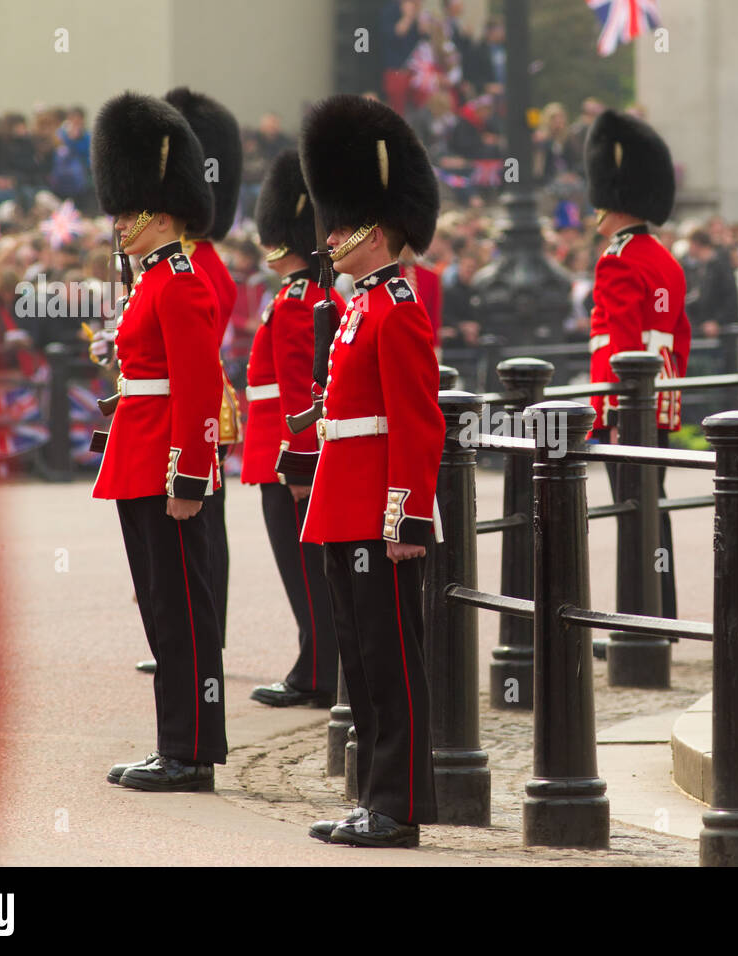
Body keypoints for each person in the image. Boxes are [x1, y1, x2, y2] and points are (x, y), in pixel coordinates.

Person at [298, 93, 444, 848]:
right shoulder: (358, 307)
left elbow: (418, 424)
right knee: (361, 660)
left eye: (344, 222)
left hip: (377, 515)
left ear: (379, 230)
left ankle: (399, 805)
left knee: (391, 666)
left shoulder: (397, 309)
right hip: (342, 502)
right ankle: (372, 799)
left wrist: (405, 517)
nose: (330, 235)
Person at [88, 91, 226, 791]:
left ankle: (192, 751)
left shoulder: (179, 282)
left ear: (161, 210)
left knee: (182, 614)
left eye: (127, 208)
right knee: (160, 611)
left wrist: (190, 476)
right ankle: (176, 742)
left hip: (165, 465)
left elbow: (201, 389)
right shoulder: (148, 283)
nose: (117, 221)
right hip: (137, 454)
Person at [244, 146, 344, 708]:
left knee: (305, 570)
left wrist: (299, 463)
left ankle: (316, 672)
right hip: (279, 454)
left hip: (285, 459)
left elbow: (298, 391)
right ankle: (314, 662)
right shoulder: (303, 295)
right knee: (304, 569)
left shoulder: (297, 300)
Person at [584, 108, 690, 621]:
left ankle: (639, 621)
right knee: (655, 509)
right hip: (660, 408)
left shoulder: (618, 259)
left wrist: (613, 416)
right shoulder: (665, 259)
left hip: (626, 410)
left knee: (633, 515)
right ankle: (659, 613)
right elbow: (679, 340)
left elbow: (620, 348)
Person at [165, 87, 243, 654]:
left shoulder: (195, 264)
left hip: (195, 411)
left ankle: (202, 634)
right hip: (200, 407)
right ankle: (197, 632)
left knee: (200, 530)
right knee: (201, 529)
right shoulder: (199, 258)